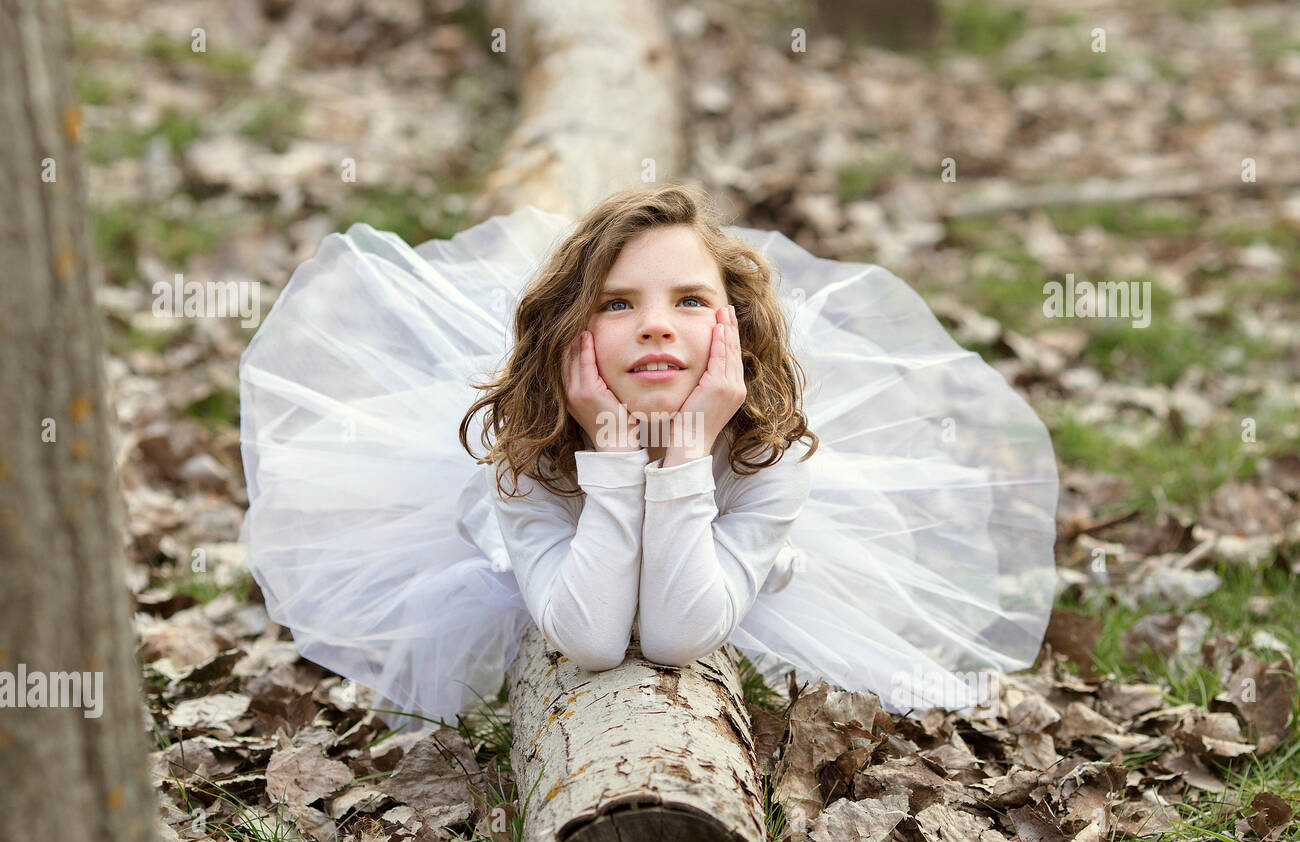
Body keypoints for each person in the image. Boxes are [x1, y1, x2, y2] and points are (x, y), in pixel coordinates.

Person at [238, 183, 1059, 733]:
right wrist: (616, 458)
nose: (658, 325)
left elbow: (677, 636)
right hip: (566, 530)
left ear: (732, 328)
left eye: (690, 301)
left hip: (711, 545)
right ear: (571, 332)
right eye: (618, 304)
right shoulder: (527, 464)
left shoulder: (767, 458)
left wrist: (688, 454)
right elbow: (592, 640)